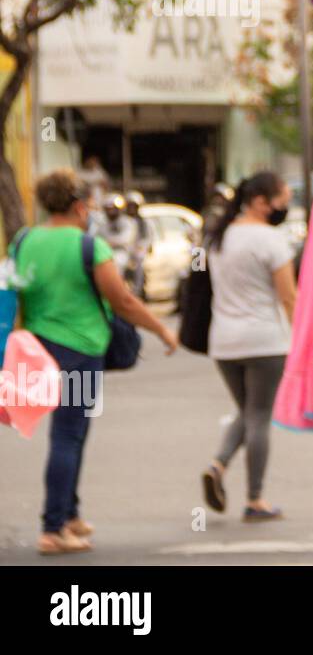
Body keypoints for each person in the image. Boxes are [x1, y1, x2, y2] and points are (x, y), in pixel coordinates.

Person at [13, 169, 177, 555]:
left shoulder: (23, 241)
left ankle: (69, 515)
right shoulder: (89, 248)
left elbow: (16, 292)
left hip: (36, 351)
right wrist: (163, 330)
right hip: (80, 351)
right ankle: (53, 528)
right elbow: (123, 301)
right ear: (78, 206)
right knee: (69, 435)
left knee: (73, 433)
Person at [202, 172, 297, 523]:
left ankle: (218, 464)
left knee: (247, 411)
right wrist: (304, 338)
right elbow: (289, 296)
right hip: (264, 340)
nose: (284, 208)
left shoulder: (218, 237)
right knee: (258, 416)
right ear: (261, 202)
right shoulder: (271, 240)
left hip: (224, 343)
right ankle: (255, 500)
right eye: (283, 201)